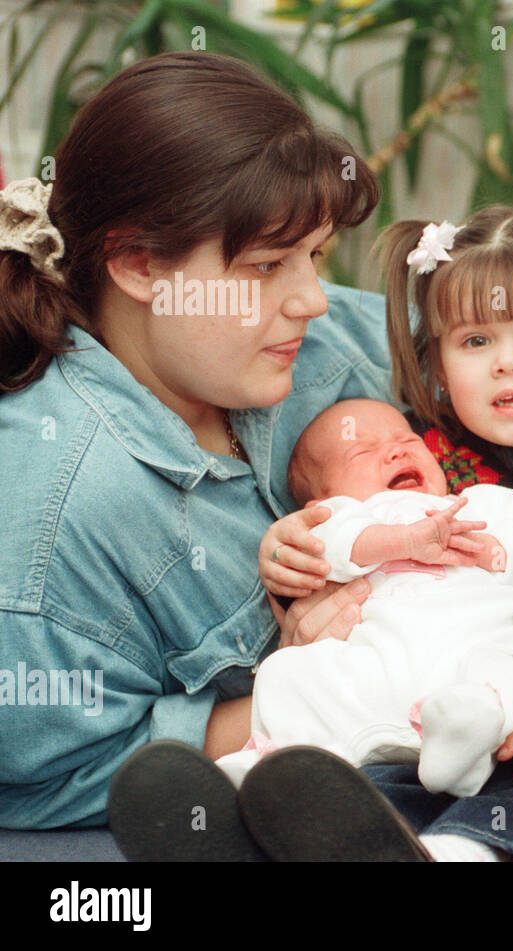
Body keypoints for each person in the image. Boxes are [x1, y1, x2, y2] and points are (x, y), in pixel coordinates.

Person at [113, 195, 513, 861]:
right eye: (476, 341)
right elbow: (342, 534)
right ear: (434, 363)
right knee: (359, 778)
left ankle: (451, 853)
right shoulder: (412, 449)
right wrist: (289, 556)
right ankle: (241, 830)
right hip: (418, 714)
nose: (507, 362)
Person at [0, 51, 384, 842]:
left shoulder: (299, 337)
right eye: (270, 266)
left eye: (314, 256)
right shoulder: (58, 518)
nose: (311, 297)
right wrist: (292, 687)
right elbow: (48, 778)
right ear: (140, 264)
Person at [209, 398, 513, 798]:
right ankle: (267, 764)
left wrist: (485, 548)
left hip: (465, 661)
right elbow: (329, 546)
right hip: (371, 671)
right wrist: (404, 541)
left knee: (506, 662)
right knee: (282, 674)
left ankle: (465, 750)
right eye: (363, 450)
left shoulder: (483, 504)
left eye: (408, 439)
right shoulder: (346, 516)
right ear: (319, 502)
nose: (396, 450)